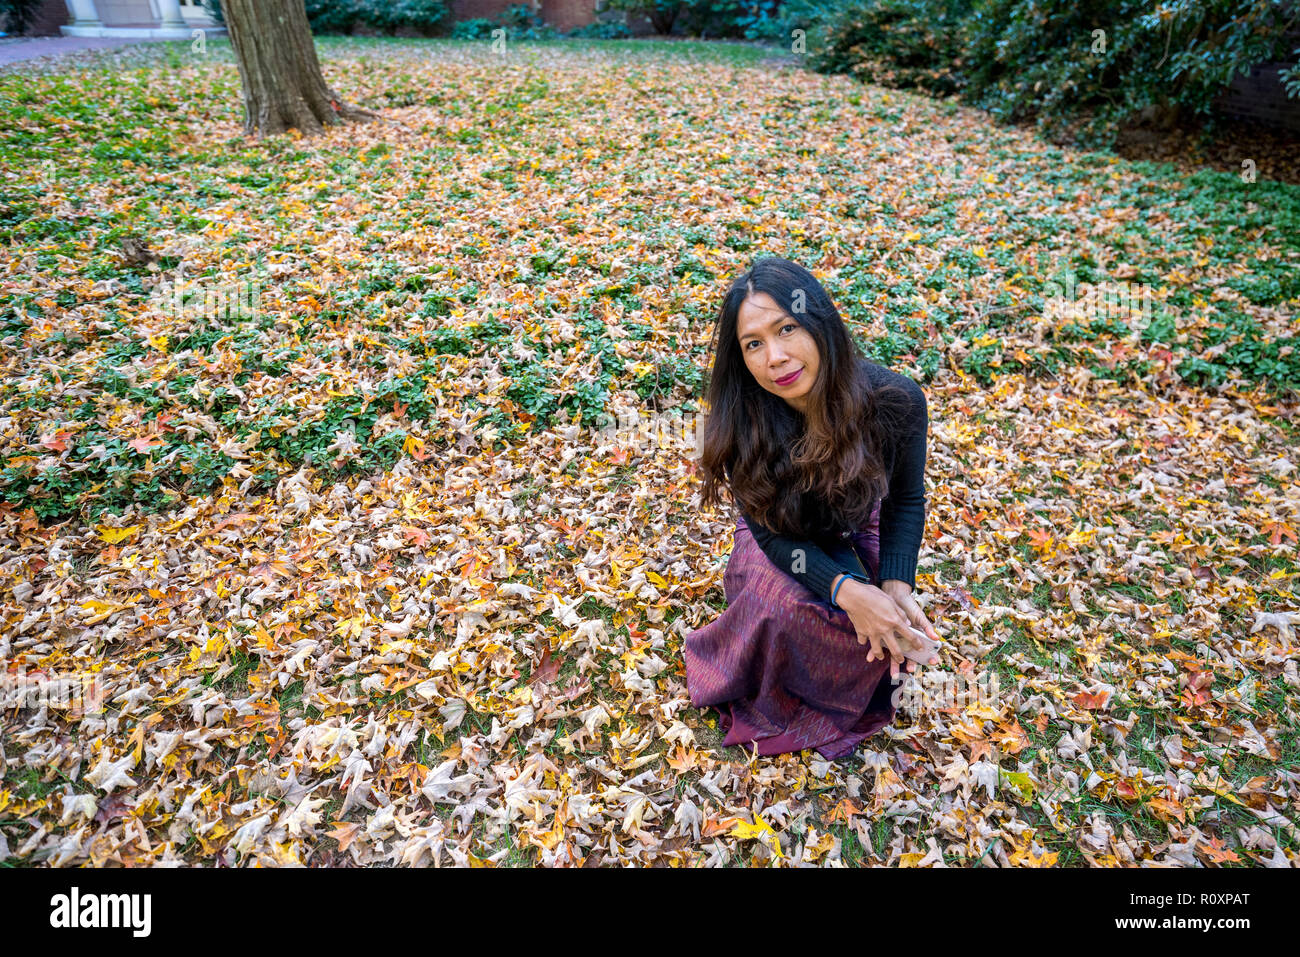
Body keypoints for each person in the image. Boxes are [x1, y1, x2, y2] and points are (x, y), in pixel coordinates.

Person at [683, 255, 941, 761]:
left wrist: (895, 585)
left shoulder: (896, 400)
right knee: (788, 611)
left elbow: (905, 500)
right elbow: (773, 536)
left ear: (819, 322)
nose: (775, 357)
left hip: (854, 517)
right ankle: (778, 683)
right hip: (782, 532)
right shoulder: (740, 421)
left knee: (876, 623)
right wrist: (846, 588)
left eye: (787, 329)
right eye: (754, 344)